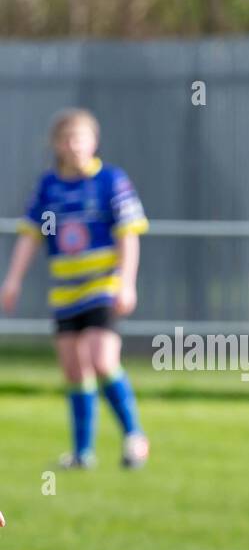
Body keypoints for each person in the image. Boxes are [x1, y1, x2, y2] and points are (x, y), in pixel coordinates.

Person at [1, 108, 149, 469]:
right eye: (67, 139)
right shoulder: (49, 187)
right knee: (73, 369)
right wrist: (13, 279)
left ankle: (134, 437)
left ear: (93, 142)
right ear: (57, 145)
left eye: (80, 138)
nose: (75, 146)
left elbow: (128, 234)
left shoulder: (111, 181)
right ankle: (83, 453)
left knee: (101, 360)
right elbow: (31, 236)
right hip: (65, 292)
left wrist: (126, 283)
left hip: (102, 286)